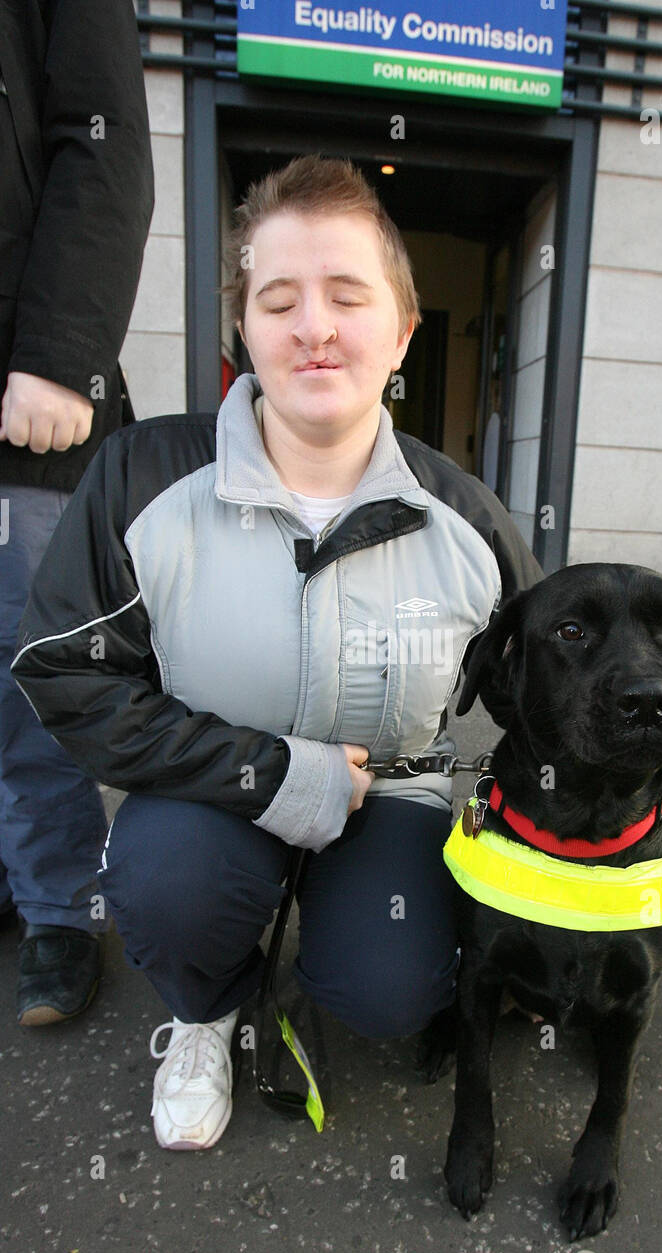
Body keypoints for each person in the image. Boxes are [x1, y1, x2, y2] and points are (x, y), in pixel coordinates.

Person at [12, 155, 542, 1148]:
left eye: (348, 294)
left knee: (392, 989)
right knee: (165, 885)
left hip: (387, 792)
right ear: (244, 327)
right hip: (212, 795)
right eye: (278, 298)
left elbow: (551, 686)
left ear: (402, 330)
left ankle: (327, 948)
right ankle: (209, 1005)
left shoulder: (467, 519)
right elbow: (64, 668)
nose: (314, 326)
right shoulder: (141, 476)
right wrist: (267, 770)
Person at [0, 0, 154, 1023]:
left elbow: (102, 139)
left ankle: (60, 903)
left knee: (31, 676)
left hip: (24, 403)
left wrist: (61, 357)